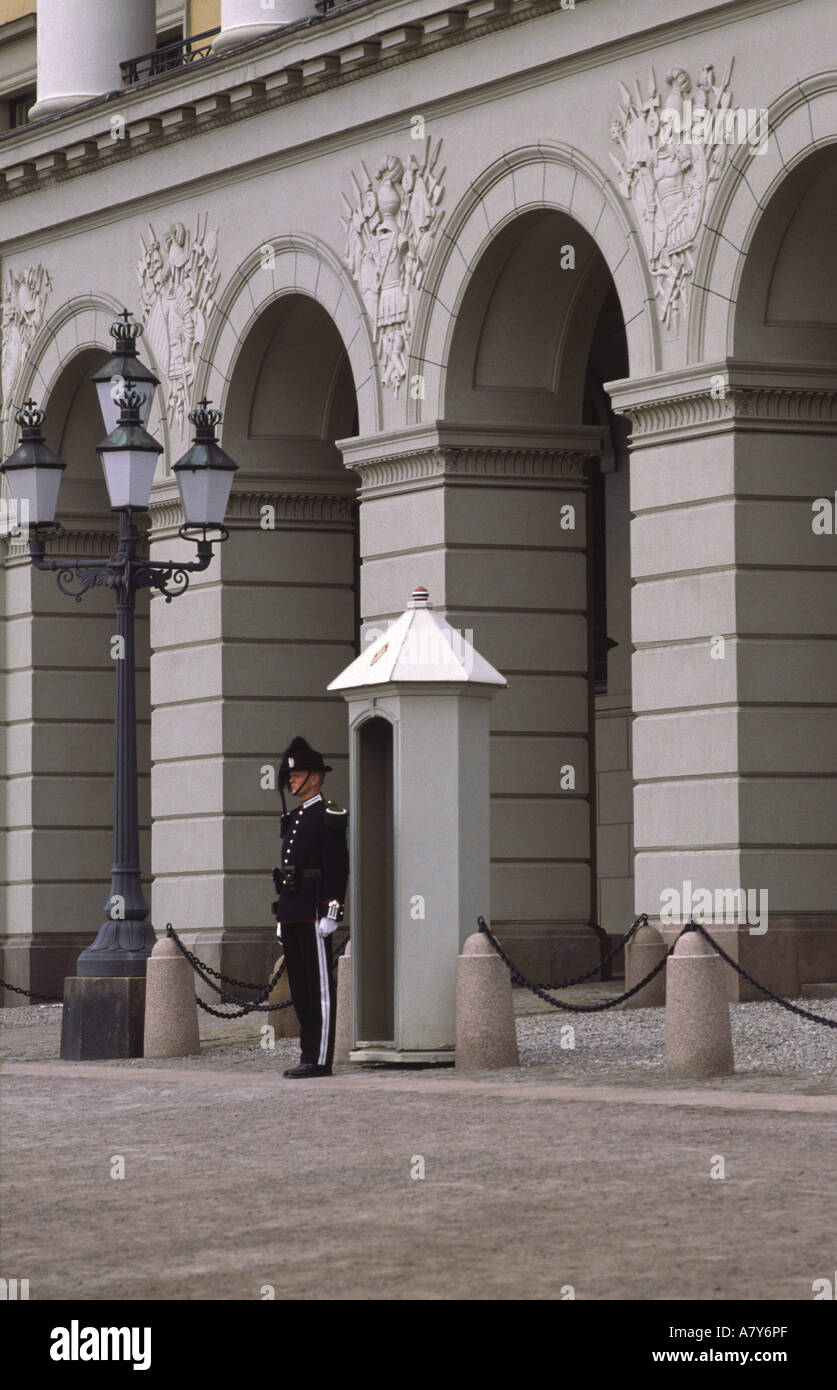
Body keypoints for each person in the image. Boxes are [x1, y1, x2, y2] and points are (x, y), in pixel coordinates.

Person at [273, 736, 348, 1078]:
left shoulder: (326, 814)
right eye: (290, 773)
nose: (291, 778)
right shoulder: (297, 817)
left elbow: (336, 866)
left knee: (319, 990)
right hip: (293, 910)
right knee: (301, 988)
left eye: (298, 772)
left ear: (315, 777)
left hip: (315, 913)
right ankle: (308, 1055)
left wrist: (333, 911)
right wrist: (281, 915)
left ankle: (319, 1059)